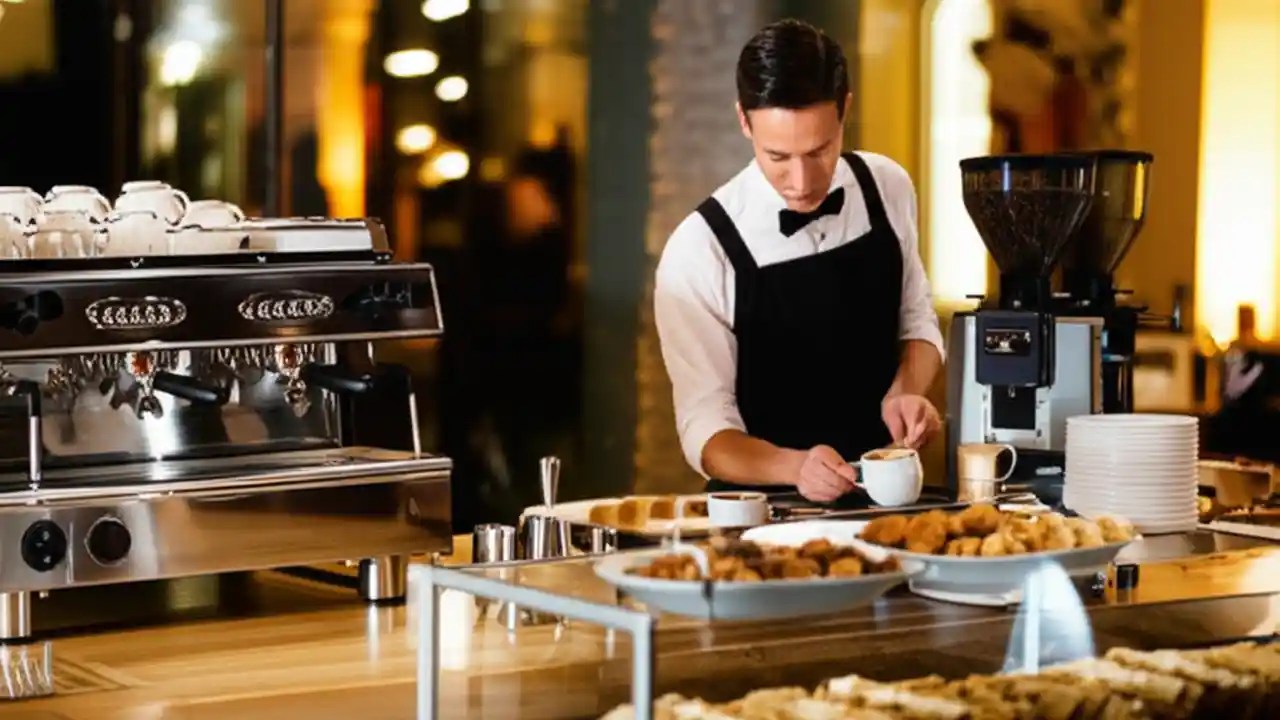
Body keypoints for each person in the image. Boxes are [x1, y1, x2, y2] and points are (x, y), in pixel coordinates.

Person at [654, 19, 945, 503]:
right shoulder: (699, 251)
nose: (802, 180)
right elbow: (706, 433)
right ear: (744, 121)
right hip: (764, 518)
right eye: (778, 156)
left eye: (820, 150)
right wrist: (795, 467)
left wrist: (906, 391)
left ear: (845, 109)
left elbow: (917, 320)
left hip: (887, 505)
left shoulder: (886, 187)